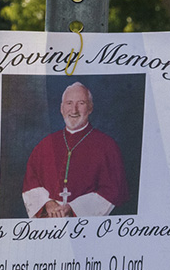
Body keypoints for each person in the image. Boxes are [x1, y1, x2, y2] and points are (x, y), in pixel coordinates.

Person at [22, 82, 128, 218]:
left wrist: (73, 208)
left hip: (86, 225)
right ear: (61, 108)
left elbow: (113, 191)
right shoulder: (45, 144)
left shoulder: (107, 146)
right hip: (48, 222)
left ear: (90, 108)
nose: (74, 110)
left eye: (81, 103)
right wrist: (47, 203)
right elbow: (31, 181)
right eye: (69, 103)